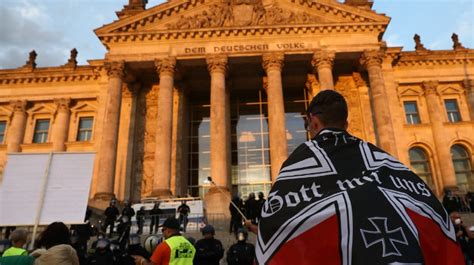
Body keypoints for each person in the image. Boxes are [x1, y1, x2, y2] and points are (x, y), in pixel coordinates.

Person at [254, 90, 464, 264]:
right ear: (346, 124)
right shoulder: (383, 159)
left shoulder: (300, 162)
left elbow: (277, 228)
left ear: (314, 122)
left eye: (308, 126)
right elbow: (432, 212)